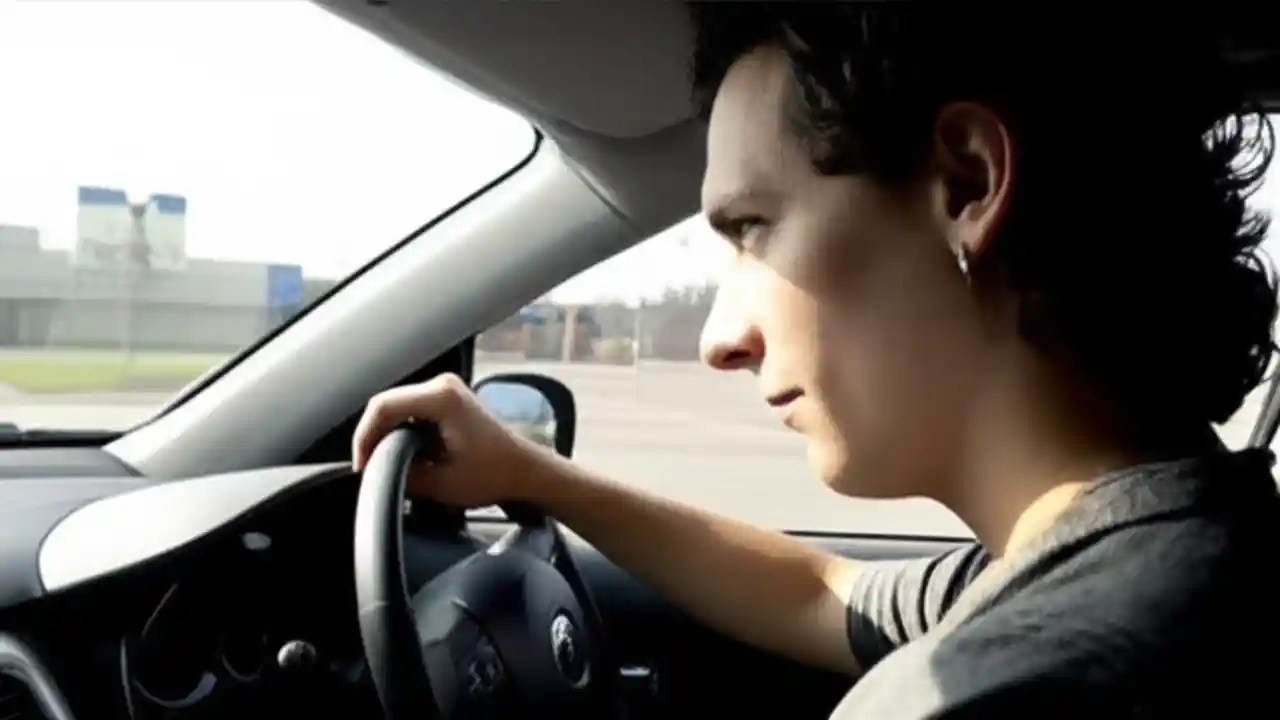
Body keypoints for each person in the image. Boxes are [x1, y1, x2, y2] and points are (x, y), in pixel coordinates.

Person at [353, 3, 1280, 716]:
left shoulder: (981, 691)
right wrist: (532, 475)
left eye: (753, 230)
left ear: (967, 183)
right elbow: (822, 591)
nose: (721, 339)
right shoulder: (1163, 540)